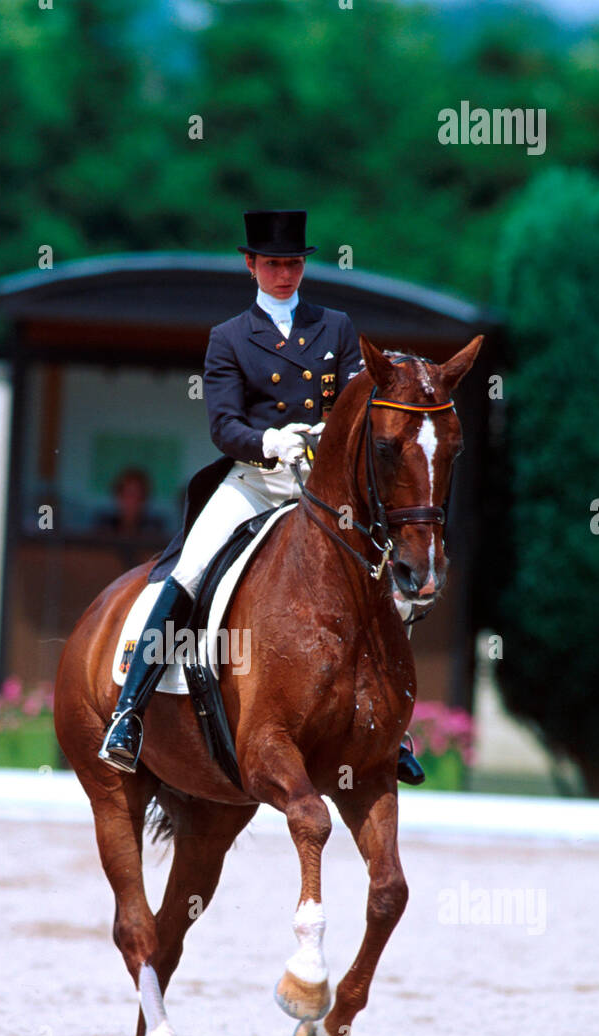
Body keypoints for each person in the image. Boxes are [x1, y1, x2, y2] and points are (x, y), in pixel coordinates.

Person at [98, 209, 425, 785]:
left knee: (384, 581)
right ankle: (130, 712)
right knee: (189, 573)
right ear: (251, 265)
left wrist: (328, 435)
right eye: (274, 264)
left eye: (294, 264)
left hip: (323, 488)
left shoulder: (336, 327)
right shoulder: (228, 338)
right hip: (254, 481)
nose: (285, 274)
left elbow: (354, 404)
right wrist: (270, 441)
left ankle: (390, 729)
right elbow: (223, 427)